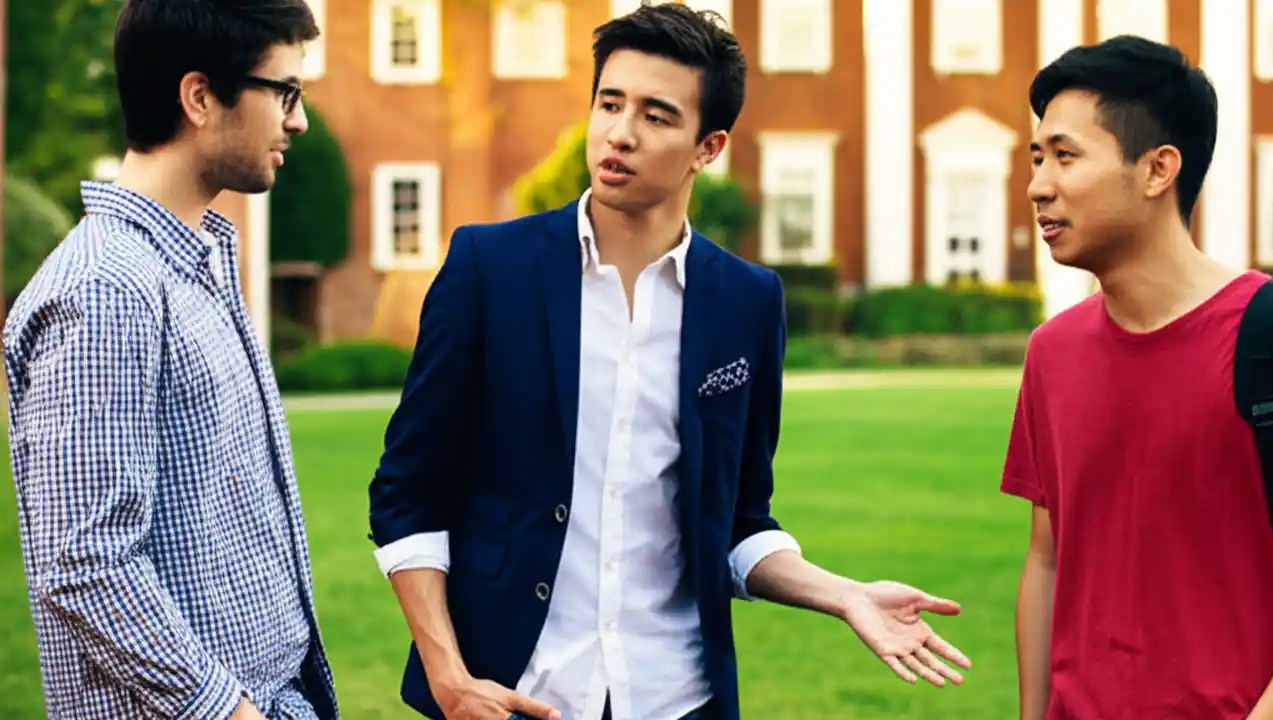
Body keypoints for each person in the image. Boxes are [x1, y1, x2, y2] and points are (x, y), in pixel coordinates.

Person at [367, 4, 971, 719]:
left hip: (678, 698)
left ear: (707, 147)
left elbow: (739, 520)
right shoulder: (488, 268)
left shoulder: (748, 302)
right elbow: (407, 490)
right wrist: (448, 674)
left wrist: (843, 595)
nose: (620, 133)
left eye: (656, 116)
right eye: (609, 103)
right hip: (508, 695)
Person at [3, 1, 337, 718]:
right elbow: (86, 561)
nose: (298, 120)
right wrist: (233, 711)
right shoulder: (105, 290)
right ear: (199, 97)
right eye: (284, 91)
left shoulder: (197, 260)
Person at [1004, 34, 1273, 719]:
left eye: (1065, 156)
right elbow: (1047, 559)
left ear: (1158, 170)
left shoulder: (1269, 333)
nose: (1038, 185)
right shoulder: (1051, 353)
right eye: (1037, 158)